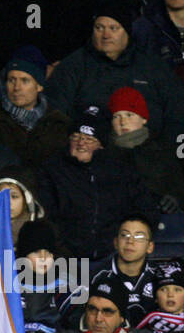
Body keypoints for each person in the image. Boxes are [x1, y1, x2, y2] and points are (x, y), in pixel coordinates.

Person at [44, 1, 184, 149]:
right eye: (99, 28)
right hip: (88, 153)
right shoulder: (74, 65)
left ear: (127, 32)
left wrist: (163, 148)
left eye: (113, 28)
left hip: (147, 153)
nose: (105, 35)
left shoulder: (152, 67)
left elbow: (180, 107)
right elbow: (55, 113)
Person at [38, 107, 160, 263]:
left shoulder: (121, 171)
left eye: (89, 139)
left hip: (114, 257)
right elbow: (47, 217)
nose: (81, 143)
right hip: (66, 258)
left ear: (101, 144)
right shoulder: (52, 170)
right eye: (76, 137)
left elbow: (145, 209)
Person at [0, 51, 71, 175]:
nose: (16, 87)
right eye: (11, 80)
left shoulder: (59, 124)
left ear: (39, 86)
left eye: (24, 81)